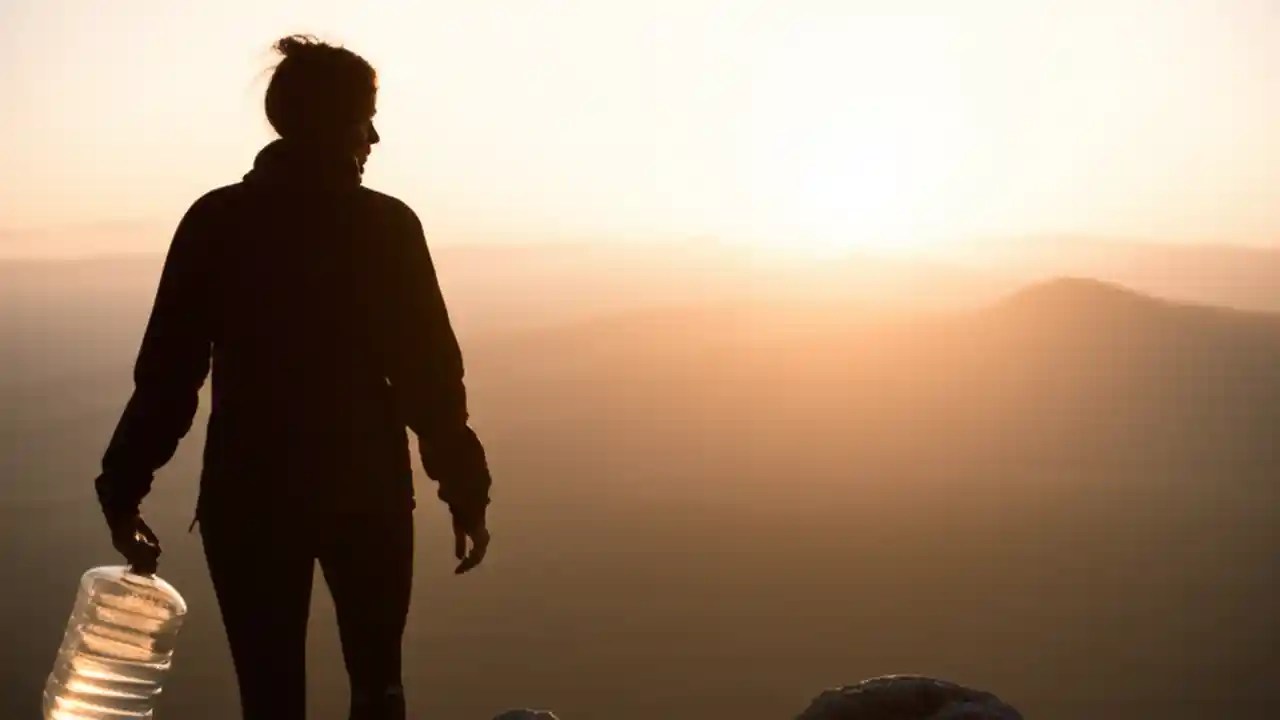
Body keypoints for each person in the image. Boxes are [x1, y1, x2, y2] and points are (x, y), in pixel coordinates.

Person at [93, 35, 492, 720]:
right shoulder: (386, 228)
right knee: (378, 686)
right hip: (366, 495)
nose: (374, 135)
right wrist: (464, 488)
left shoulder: (217, 221)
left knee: (269, 695)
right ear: (331, 124)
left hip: (248, 498)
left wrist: (123, 491)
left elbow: (168, 377)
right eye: (363, 116)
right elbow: (430, 378)